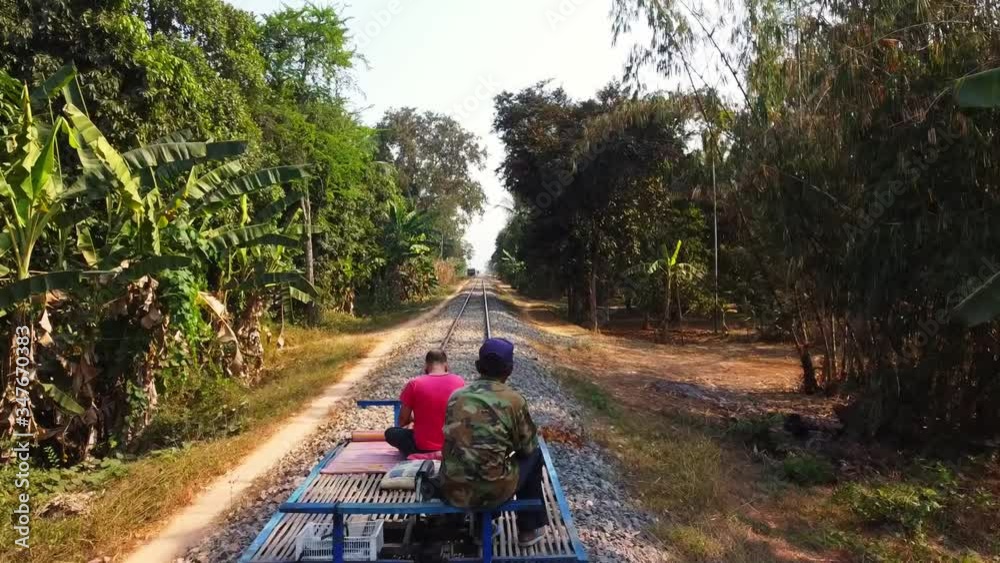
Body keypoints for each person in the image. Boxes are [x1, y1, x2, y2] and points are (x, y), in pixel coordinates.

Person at [438, 338, 548, 547]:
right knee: (534, 455)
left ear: (479, 366)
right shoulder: (514, 400)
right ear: (509, 370)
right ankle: (527, 529)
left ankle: (481, 529)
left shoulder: (456, 396)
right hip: (493, 492)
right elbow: (527, 447)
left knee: (472, 459)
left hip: (452, 488)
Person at [384, 349, 465, 457]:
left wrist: (415, 419)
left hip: (421, 448)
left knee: (391, 433)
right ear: (446, 365)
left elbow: (402, 420)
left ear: (426, 366)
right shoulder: (459, 382)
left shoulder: (414, 384)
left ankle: (421, 454)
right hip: (451, 448)